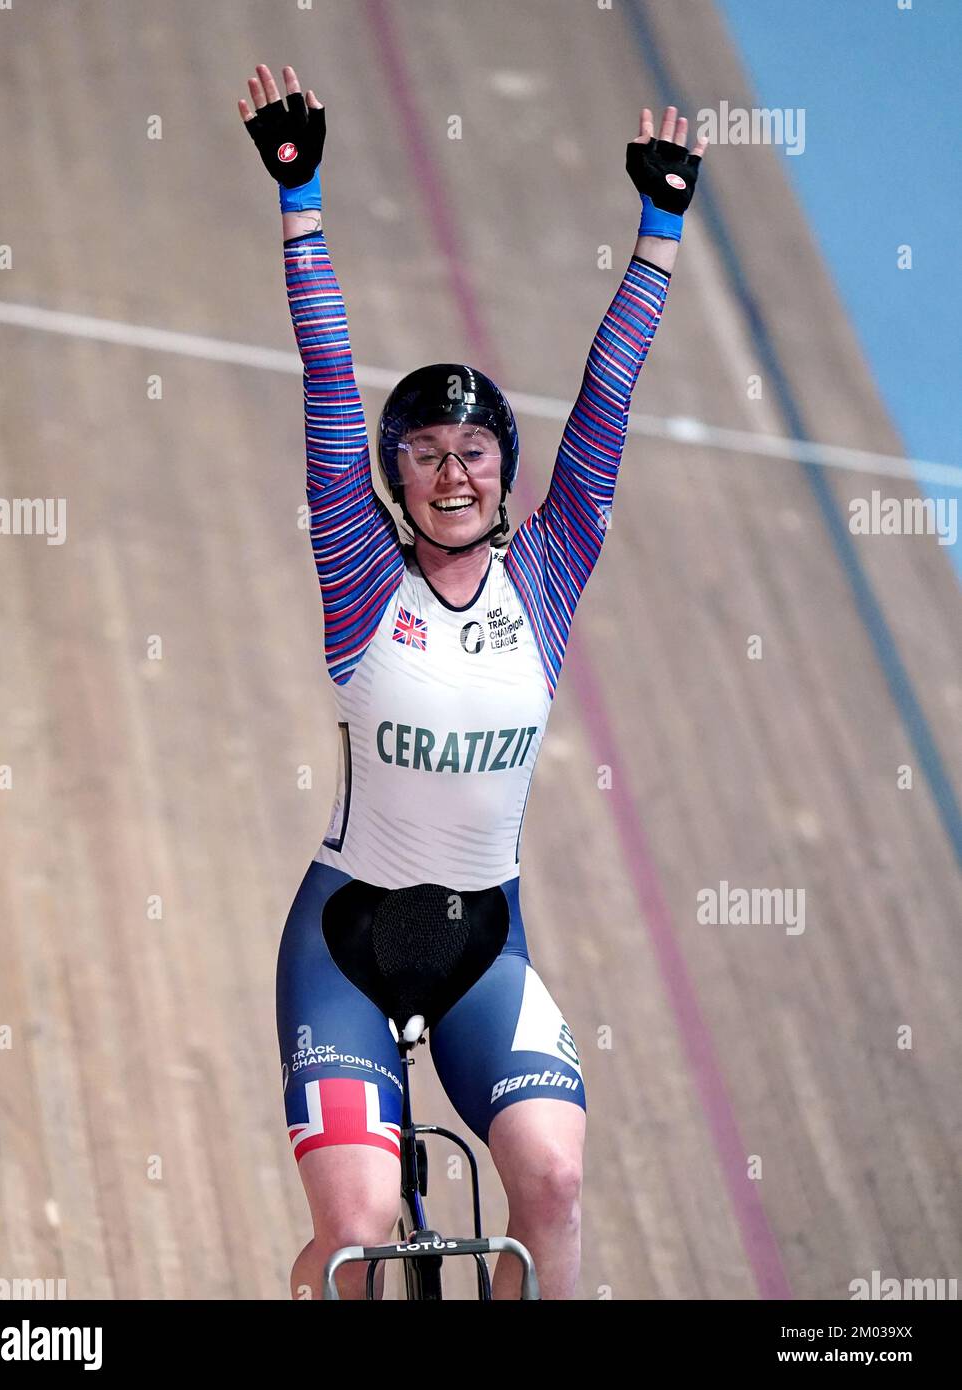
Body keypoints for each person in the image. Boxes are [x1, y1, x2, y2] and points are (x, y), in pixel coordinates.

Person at [238, 61, 705, 1300]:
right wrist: (302, 200)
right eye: (429, 455)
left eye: (477, 451)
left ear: (506, 472)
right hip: (342, 947)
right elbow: (328, 376)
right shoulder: (357, 573)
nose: (455, 473)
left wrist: (658, 234)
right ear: (396, 478)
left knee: (550, 1178)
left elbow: (606, 407)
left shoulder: (544, 582)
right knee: (360, 1225)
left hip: (482, 947)